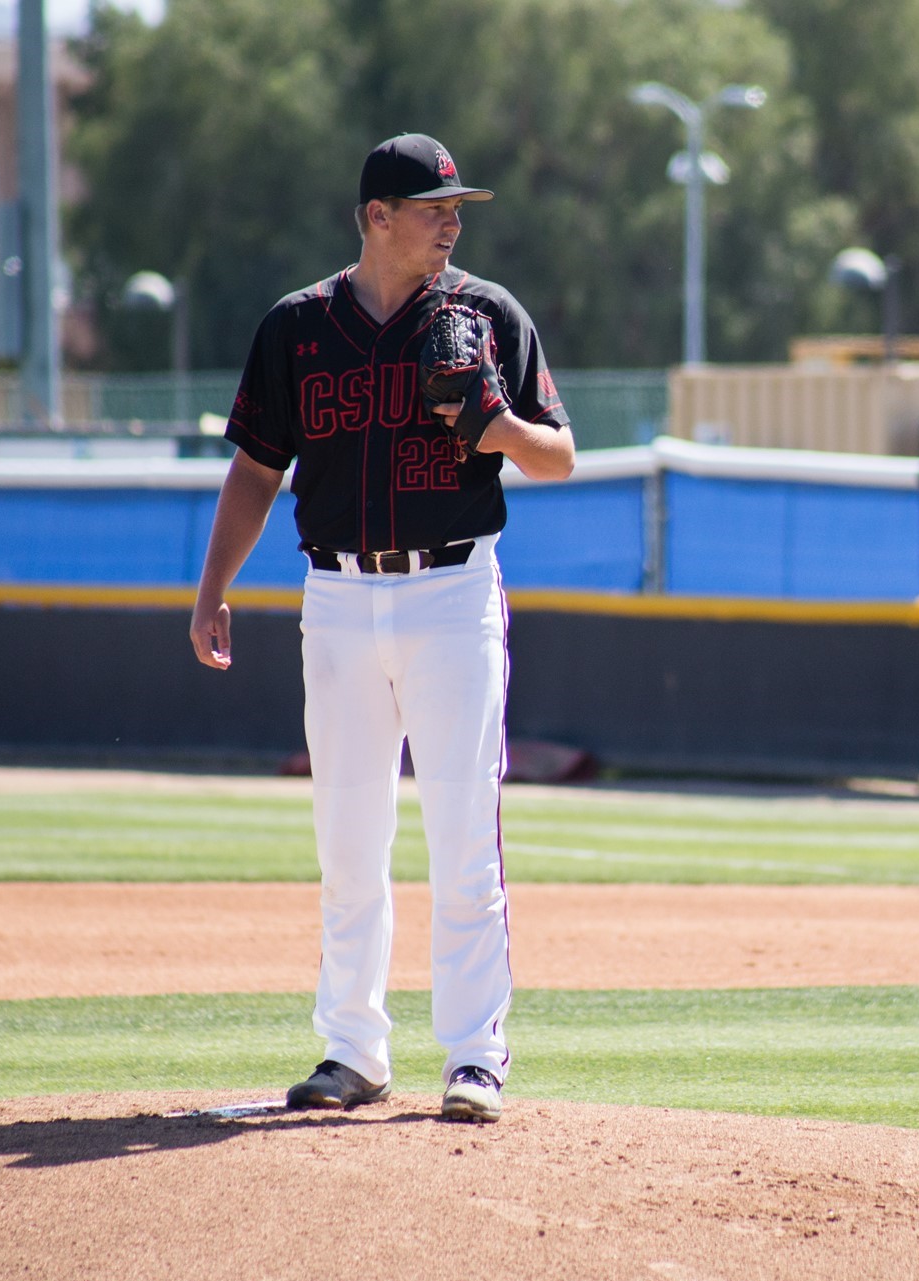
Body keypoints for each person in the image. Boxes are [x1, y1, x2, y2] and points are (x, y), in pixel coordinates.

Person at [188, 133, 575, 1122]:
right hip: (338, 598)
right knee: (347, 839)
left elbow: (557, 457)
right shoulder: (297, 329)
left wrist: (491, 427)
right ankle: (352, 1049)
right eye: (433, 206)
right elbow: (256, 469)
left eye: (457, 208)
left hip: (452, 593)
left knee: (461, 837)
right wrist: (212, 586)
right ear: (376, 217)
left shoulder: (484, 315)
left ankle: (475, 1057)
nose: (451, 221)